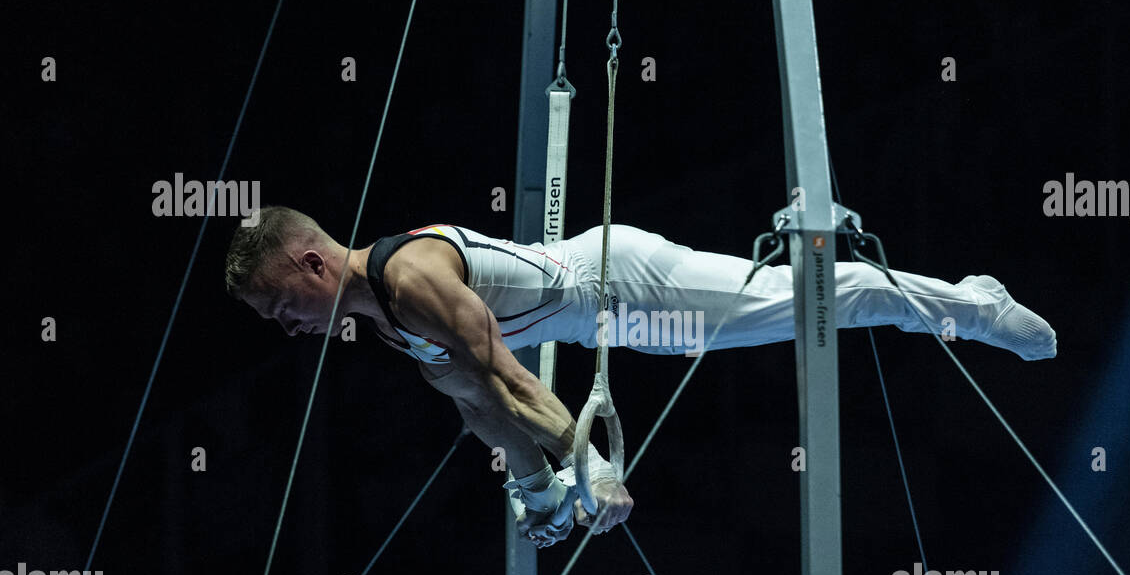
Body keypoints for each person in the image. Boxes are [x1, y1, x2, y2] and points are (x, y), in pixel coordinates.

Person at [225, 206, 1056, 546]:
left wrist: (587, 463)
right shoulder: (385, 323)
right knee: (789, 313)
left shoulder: (412, 277)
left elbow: (509, 377)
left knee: (799, 306)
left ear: (309, 263)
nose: (285, 328)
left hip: (623, 281)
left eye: (277, 308)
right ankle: (955, 301)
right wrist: (535, 487)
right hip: (613, 323)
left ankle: (969, 303)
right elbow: (476, 403)